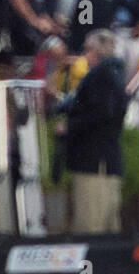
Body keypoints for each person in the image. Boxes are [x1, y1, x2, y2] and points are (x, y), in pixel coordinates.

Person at [55, 30, 129, 233]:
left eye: (86, 49)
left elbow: (101, 113)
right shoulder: (116, 75)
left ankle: (92, 265)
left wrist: (69, 126)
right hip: (108, 160)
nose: (83, 55)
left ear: (95, 51)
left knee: (90, 226)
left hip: (93, 161)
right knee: (109, 224)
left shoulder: (100, 76)